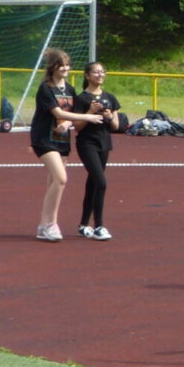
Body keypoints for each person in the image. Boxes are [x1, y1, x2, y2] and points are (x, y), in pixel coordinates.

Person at [30, 47, 104, 241]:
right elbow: (59, 113)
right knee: (61, 178)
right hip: (44, 139)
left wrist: (72, 122)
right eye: (61, 65)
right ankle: (50, 224)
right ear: (52, 67)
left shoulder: (70, 89)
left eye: (67, 65)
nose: (65, 68)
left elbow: (69, 118)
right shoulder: (46, 88)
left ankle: (44, 224)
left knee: (54, 182)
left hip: (62, 141)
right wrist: (88, 117)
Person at [72, 62, 128, 240]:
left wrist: (110, 117)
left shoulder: (110, 98)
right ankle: (99, 226)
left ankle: (83, 225)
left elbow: (116, 126)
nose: (99, 75)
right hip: (87, 144)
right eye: (95, 72)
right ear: (87, 76)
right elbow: (77, 127)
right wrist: (90, 112)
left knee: (93, 184)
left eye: (102, 72)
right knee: (101, 183)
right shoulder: (81, 99)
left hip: (104, 143)